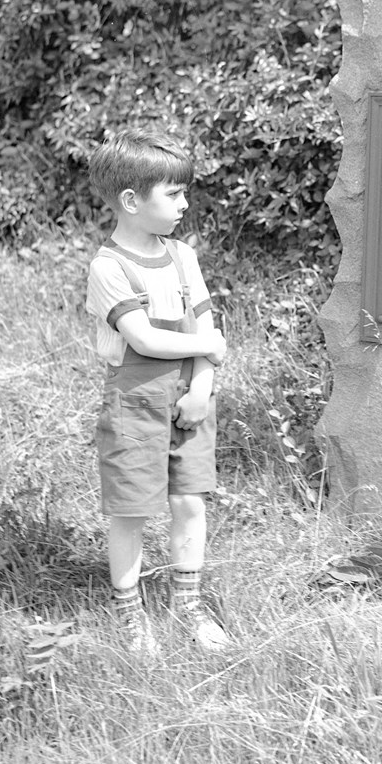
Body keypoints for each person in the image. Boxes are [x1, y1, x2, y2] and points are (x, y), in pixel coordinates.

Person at [84, 129, 229, 653]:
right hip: (135, 401)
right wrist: (208, 346)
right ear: (131, 201)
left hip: (191, 395)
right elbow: (143, 337)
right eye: (174, 194)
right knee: (131, 509)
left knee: (189, 500)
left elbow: (206, 328)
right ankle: (129, 611)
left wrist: (202, 388)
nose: (185, 204)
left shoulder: (183, 258)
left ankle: (188, 605)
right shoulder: (108, 267)